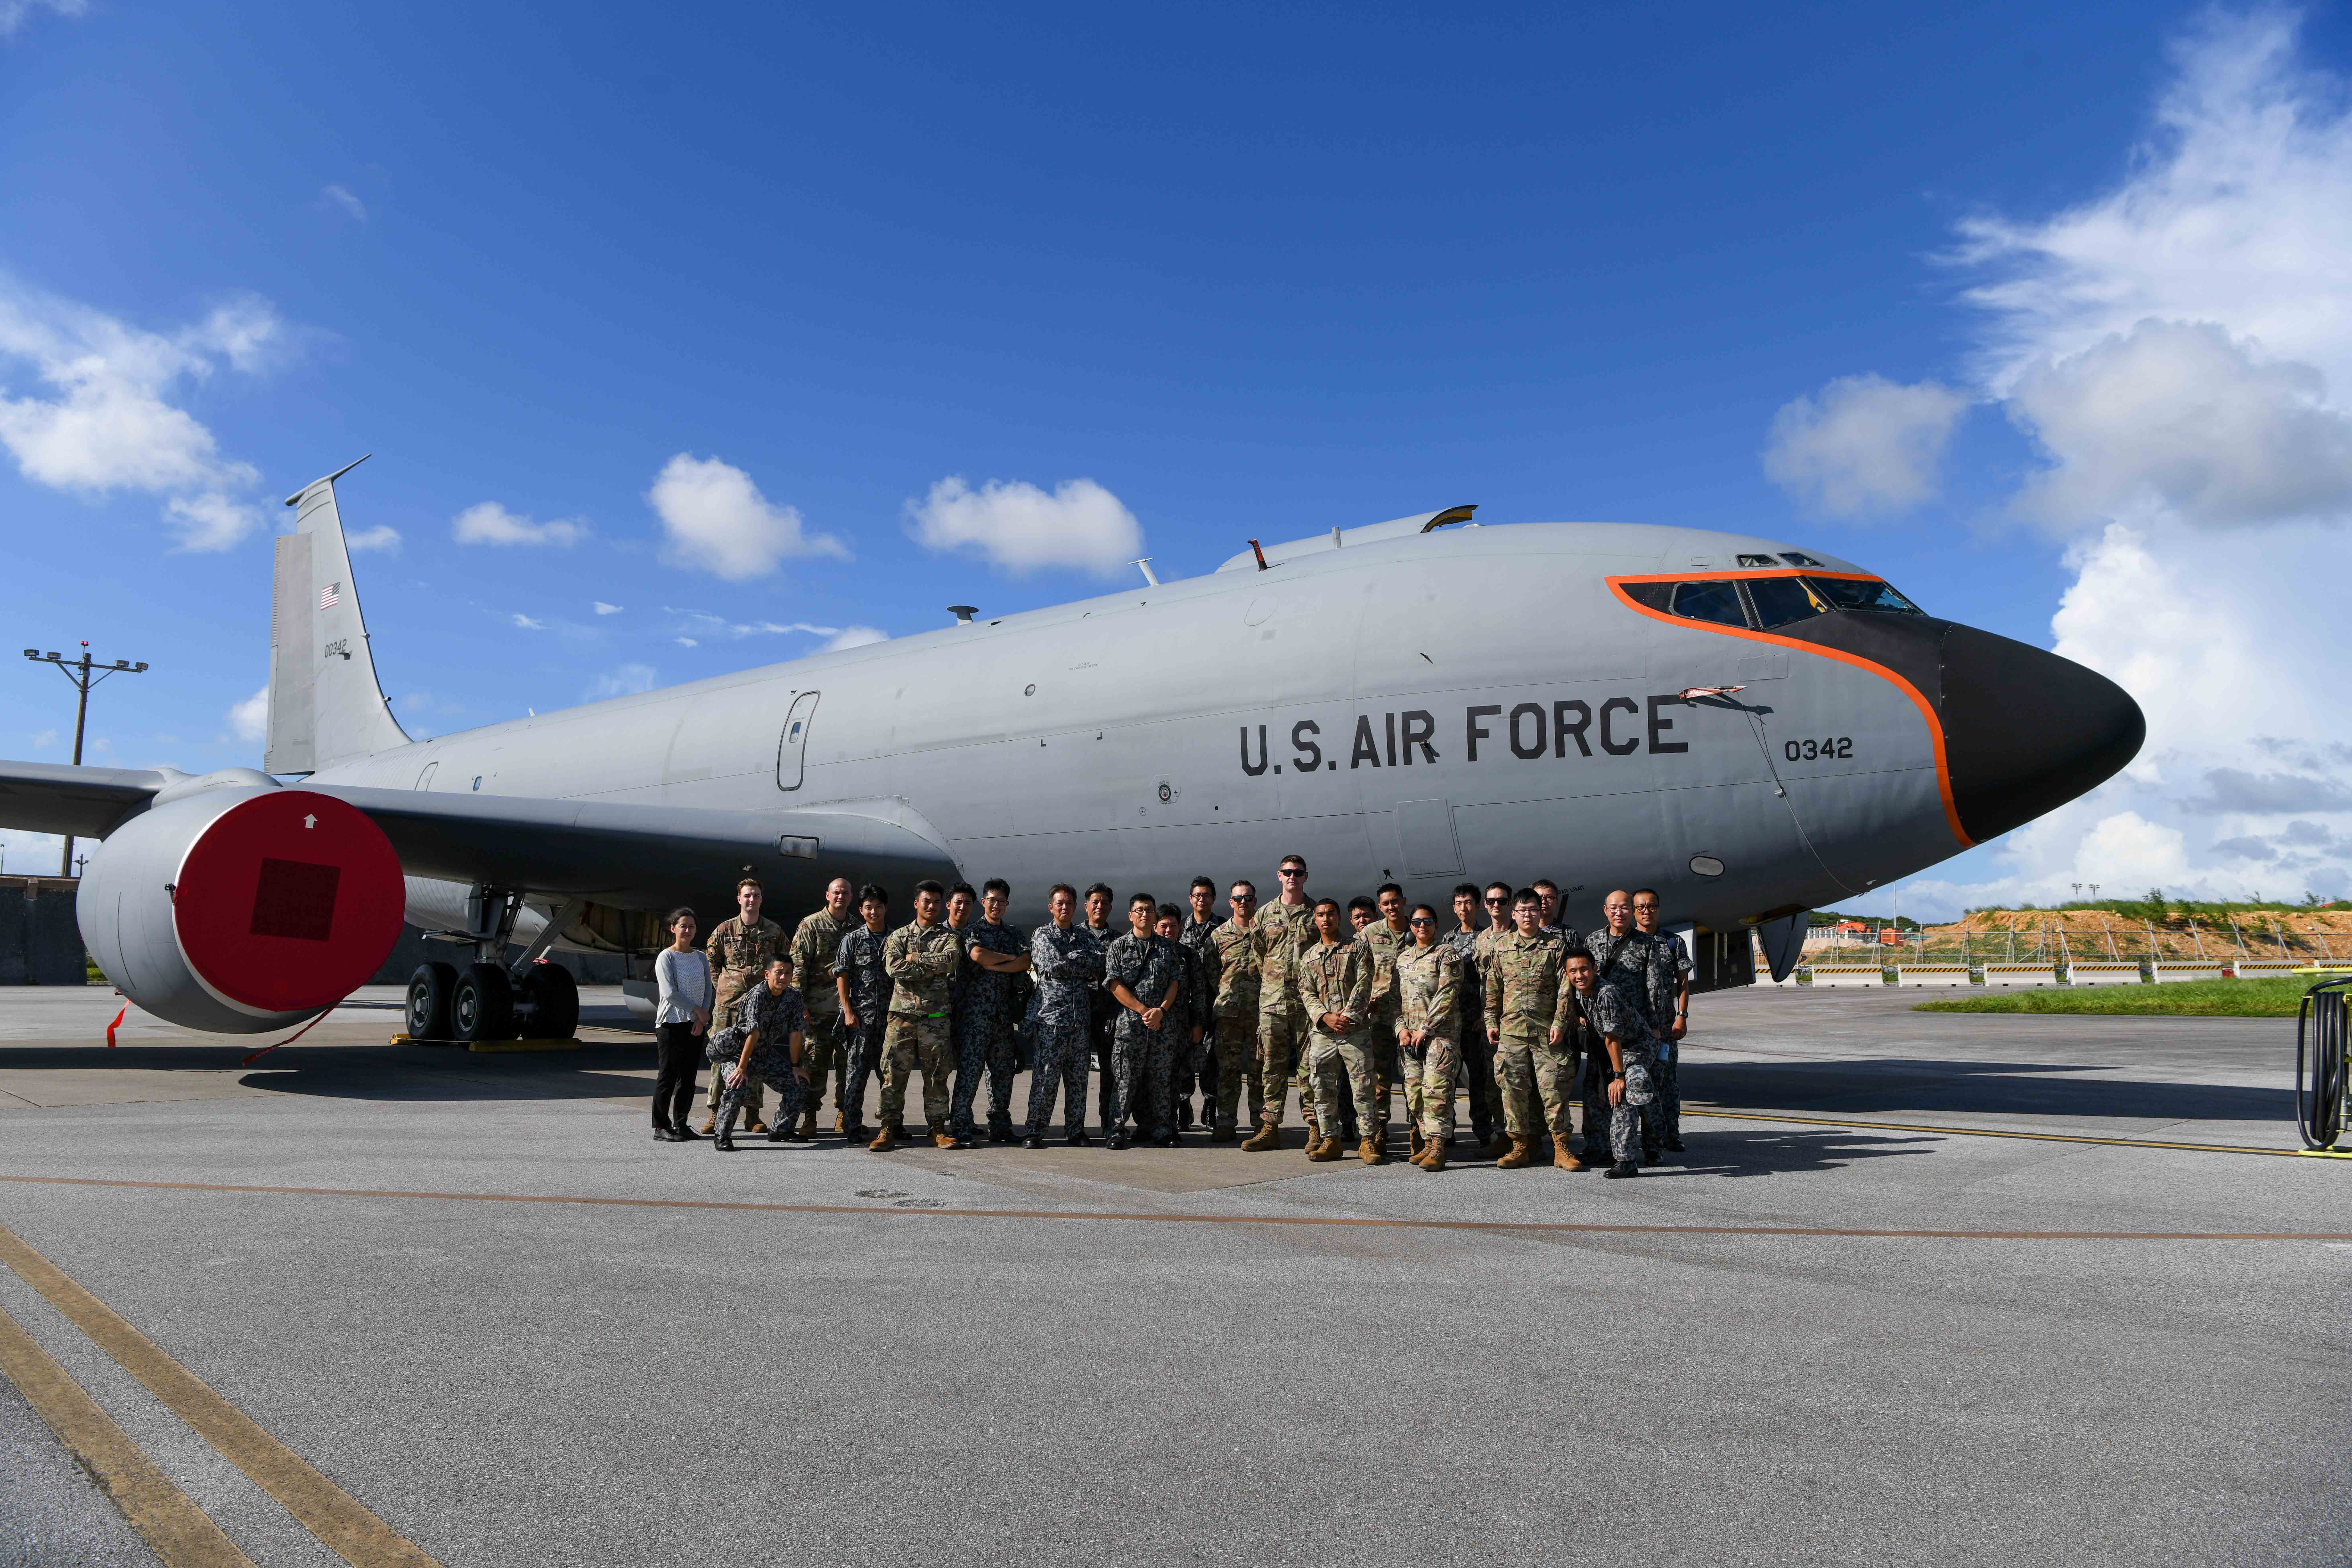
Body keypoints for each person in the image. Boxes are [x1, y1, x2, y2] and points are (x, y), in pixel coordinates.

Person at [1485, 888, 1579, 1170]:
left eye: (1533, 910)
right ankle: (1521, 1146)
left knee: (1554, 1090)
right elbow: (1493, 989)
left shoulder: (1555, 946)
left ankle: (1561, 1147)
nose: (1528, 915)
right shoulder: (1501, 947)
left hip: (1546, 1033)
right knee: (1512, 1090)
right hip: (1511, 1032)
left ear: (1542, 913)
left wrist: (1560, 1023)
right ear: (1514, 914)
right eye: (1522, 911)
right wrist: (1491, 1021)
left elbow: (1566, 989)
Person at [877, 880, 964, 1152]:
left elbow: (950, 962)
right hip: (901, 1016)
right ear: (917, 904)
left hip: (935, 1017)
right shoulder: (899, 936)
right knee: (893, 1074)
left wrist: (915, 959)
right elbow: (894, 968)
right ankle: (887, 1128)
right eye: (927, 901)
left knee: (938, 1075)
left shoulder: (949, 937)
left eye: (937, 902)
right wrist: (929, 966)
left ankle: (938, 1130)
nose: (932, 906)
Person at [1241, 855, 1317, 1152]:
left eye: (1298, 873)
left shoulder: (1315, 913)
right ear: (1279, 875)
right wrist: (1275, 982)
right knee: (1271, 1067)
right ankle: (1270, 1127)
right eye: (1287, 872)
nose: (1292, 877)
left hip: (1308, 1003)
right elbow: (1259, 954)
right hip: (1273, 1003)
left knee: (1310, 1068)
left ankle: (1314, 1126)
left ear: (1306, 876)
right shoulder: (1264, 914)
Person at [699, 878, 787, 1134]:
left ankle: (752, 1114)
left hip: (759, 1007)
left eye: (756, 896)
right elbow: (712, 961)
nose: (752, 900)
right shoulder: (724, 930)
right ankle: (716, 1112)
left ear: (761, 899)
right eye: (747, 896)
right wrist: (725, 986)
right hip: (728, 1007)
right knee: (721, 1058)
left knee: (755, 1058)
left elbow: (784, 962)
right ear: (740, 899)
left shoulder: (774, 931)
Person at [1566, 948, 1659, 1179]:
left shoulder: (1606, 993)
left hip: (1636, 1047)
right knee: (1594, 1091)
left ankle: (1626, 1160)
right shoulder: (1577, 993)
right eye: (1574, 971)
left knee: (1624, 1093)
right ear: (1568, 975)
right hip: (1609, 1048)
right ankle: (1599, 1148)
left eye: (1585, 969)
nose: (1580, 975)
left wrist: (1618, 1077)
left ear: (1595, 969)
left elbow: (1613, 1038)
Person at [1297, 898, 1378, 1164]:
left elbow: (1365, 984)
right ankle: (1331, 1139)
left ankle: (1369, 1141)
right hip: (1323, 1033)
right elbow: (1306, 992)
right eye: (1320, 915)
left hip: (1353, 1032)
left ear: (1339, 918)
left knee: (1364, 1089)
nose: (1325, 919)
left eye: (1331, 914)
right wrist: (1325, 1017)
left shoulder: (1356, 948)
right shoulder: (1309, 957)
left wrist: (1346, 1016)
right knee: (1322, 1089)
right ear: (1315, 919)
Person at [1025, 884, 1103, 1147]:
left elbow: (1100, 962)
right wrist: (1081, 962)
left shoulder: (1084, 935)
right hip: (1052, 1020)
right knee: (1046, 1079)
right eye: (1060, 904)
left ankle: (1076, 1130)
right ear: (1051, 907)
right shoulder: (1042, 934)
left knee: (1079, 1080)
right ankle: (1035, 1131)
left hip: (1080, 1020)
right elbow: (1049, 965)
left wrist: (1073, 960)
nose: (1064, 908)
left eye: (1069, 904)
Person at [1103, 893, 1182, 1150]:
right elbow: (1114, 985)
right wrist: (1143, 1011)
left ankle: (1162, 1129)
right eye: (1139, 911)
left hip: (1161, 1026)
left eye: (1149, 910)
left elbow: (1174, 983)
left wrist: (1160, 1010)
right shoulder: (1118, 947)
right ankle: (1116, 1130)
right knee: (1125, 1080)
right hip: (1130, 1026)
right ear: (1131, 916)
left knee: (1160, 1081)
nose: (1145, 915)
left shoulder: (1167, 947)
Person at [957, 879, 1031, 1144]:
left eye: (1001, 901)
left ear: (1007, 904)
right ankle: (962, 1124)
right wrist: (1009, 959)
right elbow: (978, 956)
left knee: (1002, 1075)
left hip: (1003, 1016)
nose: (996, 905)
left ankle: (999, 1126)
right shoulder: (973, 930)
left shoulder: (1014, 933)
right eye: (992, 900)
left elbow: (1026, 961)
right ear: (984, 902)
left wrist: (999, 964)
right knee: (970, 1073)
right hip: (976, 1015)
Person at [710, 955, 810, 1153]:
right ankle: (722, 1135)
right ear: (768, 974)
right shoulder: (758, 995)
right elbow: (753, 1033)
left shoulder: (794, 997)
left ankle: (781, 1130)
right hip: (739, 1054)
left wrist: (796, 1067)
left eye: (788, 973)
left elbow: (796, 1033)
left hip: (763, 1052)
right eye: (779, 973)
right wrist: (742, 1068)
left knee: (798, 1083)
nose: (783, 977)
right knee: (737, 1084)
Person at [1583, 890, 1650, 1165]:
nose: (1619, 912)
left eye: (1625, 908)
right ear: (1605, 910)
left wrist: (1657, 1027)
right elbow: (1584, 982)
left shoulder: (1646, 943)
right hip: (1601, 1034)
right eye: (1614, 908)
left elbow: (1655, 988)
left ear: (1631, 911)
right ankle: (1598, 1147)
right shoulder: (1593, 940)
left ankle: (1649, 1147)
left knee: (1634, 1091)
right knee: (1596, 1091)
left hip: (1632, 1034)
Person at [1395, 905, 1462, 1171]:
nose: (1422, 926)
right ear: (1411, 926)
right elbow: (1396, 1000)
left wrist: (1426, 1028)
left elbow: (1447, 995)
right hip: (1411, 1039)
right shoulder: (1403, 959)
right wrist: (1402, 1029)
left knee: (1436, 1091)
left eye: (1428, 921)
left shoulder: (1446, 954)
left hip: (1439, 1037)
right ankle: (1426, 1141)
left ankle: (1438, 1146)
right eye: (1417, 922)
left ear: (1436, 925)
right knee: (1415, 1093)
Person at [788, 877, 856, 1137]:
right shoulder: (812, 925)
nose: (841, 897)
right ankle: (810, 1117)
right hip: (816, 1012)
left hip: (846, 1012)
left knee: (846, 1065)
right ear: (828, 896)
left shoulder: (856, 927)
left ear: (851, 898)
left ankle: (844, 1114)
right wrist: (801, 1005)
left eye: (845, 893)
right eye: (836, 893)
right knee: (814, 1065)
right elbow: (798, 968)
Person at [1632, 888, 1691, 1155]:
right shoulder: (1627, 942)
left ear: (1659, 908)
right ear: (1634, 911)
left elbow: (1683, 984)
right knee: (1637, 1083)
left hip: (1667, 1028)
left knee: (1668, 1083)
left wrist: (1682, 1016)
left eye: (1652, 906)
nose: (1647, 911)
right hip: (1636, 1029)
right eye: (1641, 907)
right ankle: (1638, 1139)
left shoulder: (1673, 942)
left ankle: (1671, 1135)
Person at [833, 884, 892, 1144]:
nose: (874, 912)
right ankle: (852, 1125)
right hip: (861, 1020)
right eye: (868, 907)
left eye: (878, 906)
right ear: (862, 910)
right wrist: (847, 1011)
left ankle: (890, 1125)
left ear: (885, 908)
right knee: (856, 1075)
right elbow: (842, 976)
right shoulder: (853, 940)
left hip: (890, 1021)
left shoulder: (895, 939)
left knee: (889, 1077)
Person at [1444, 883, 1498, 1152]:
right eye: (1459, 903)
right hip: (1453, 1022)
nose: (1464, 908)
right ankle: (1447, 1129)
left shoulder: (1488, 938)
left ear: (1478, 906)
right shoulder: (1446, 941)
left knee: (1480, 1079)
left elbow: (1492, 980)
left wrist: (1486, 1016)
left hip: (1477, 1021)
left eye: (1468, 903)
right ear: (1454, 908)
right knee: (1448, 1077)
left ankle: (1484, 1132)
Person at [1358, 883, 1412, 1153]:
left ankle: (1419, 1132)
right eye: (1386, 904)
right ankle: (1379, 1131)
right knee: (1380, 1078)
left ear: (1404, 902)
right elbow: (1357, 968)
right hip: (1379, 1017)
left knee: (1414, 1077)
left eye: (1395, 902)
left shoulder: (1418, 930)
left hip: (1412, 1016)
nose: (1392, 907)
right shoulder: (1370, 933)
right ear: (1380, 907)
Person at [1206, 880, 1261, 1140]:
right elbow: (1211, 975)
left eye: (1248, 898)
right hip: (1228, 1015)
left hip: (1261, 1013)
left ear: (1255, 901)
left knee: (1260, 1070)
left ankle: (1262, 1123)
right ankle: (1226, 1122)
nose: (1243, 902)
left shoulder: (1266, 932)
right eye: (1238, 898)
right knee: (1228, 1071)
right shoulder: (1218, 936)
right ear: (1231, 903)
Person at [651, 906, 711, 1141]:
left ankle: (682, 1124)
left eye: (692, 927)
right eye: (683, 926)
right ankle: (661, 1127)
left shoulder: (700, 957)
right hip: (671, 1023)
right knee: (668, 1075)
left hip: (695, 1023)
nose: (687, 930)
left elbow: (708, 988)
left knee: (689, 1078)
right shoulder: (666, 957)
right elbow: (669, 993)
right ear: (673, 929)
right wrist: (697, 1012)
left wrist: (700, 1018)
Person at [1472, 880, 1523, 1157]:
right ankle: (1503, 1133)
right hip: (1489, 1024)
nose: (1495, 906)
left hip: (1518, 1021)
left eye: (1501, 901)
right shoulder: (1482, 939)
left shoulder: (1522, 935)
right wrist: (1485, 1016)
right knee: (1493, 1081)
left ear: (1511, 904)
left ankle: (1525, 1136)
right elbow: (1483, 982)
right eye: (1490, 901)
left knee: (1519, 1082)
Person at [1157, 903, 1208, 1140]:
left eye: (1174, 926)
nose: (1169, 931)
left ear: (1180, 927)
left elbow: (1198, 992)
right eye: (1164, 926)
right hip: (1152, 1024)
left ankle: (1181, 1112)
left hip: (1180, 1025)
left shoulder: (1189, 955)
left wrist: (1198, 1024)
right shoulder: (1149, 952)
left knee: (1181, 1072)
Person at [1176, 877, 1222, 1129]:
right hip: (1186, 1004)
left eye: (1206, 896)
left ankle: (1211, 1106)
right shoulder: (1179, 928)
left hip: (1215, 1004)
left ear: (1213, 899)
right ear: (1191, 899)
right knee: (1183, 1058)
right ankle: (1184, 1106)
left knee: (1212, 1059)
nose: (1201, 900)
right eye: (1197, 896)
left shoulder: (1224, 928)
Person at [1083, 883, 1119, 1129]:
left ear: (1111, 908)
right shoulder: (1072, 936)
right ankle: (1075, 1126)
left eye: (1105, 903)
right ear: (1086, 906)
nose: (1100, 907)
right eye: (1095, 902)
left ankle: (1109, 1124)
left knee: (1111, 1073)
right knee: (1076, 1076)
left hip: (1108, 1015)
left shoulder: (1119, 940)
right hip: (1079, 1014)